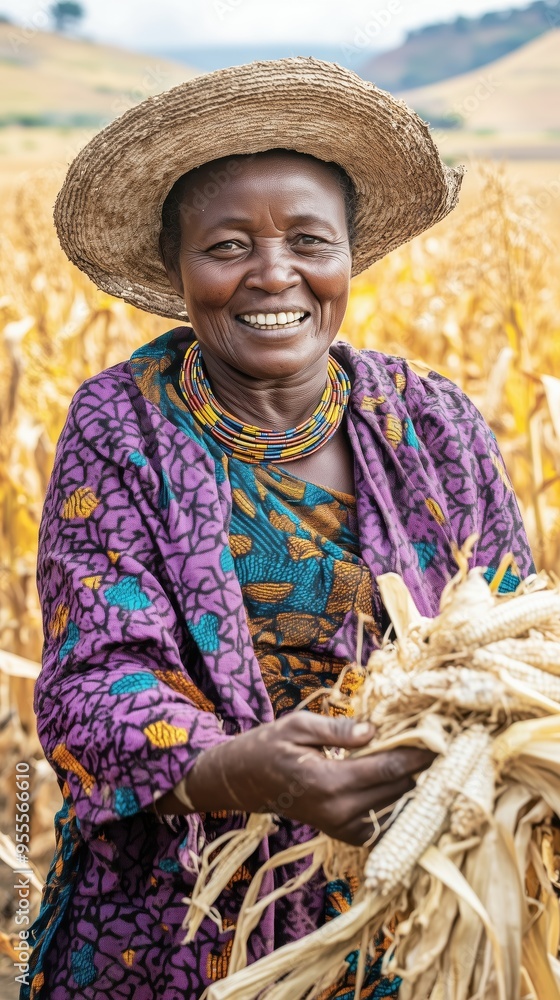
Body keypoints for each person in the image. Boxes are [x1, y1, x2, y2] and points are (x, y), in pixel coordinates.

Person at [24, 58, 533, 1000]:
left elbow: (512, 639)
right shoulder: (121, 425)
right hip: (182, 919)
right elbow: (94, 682)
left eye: (309, 239)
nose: (274, 274)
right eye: (227, 247)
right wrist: (233, 768)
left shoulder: (434, 424)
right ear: (178, 271)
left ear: (348, 255)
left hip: (407, 909)